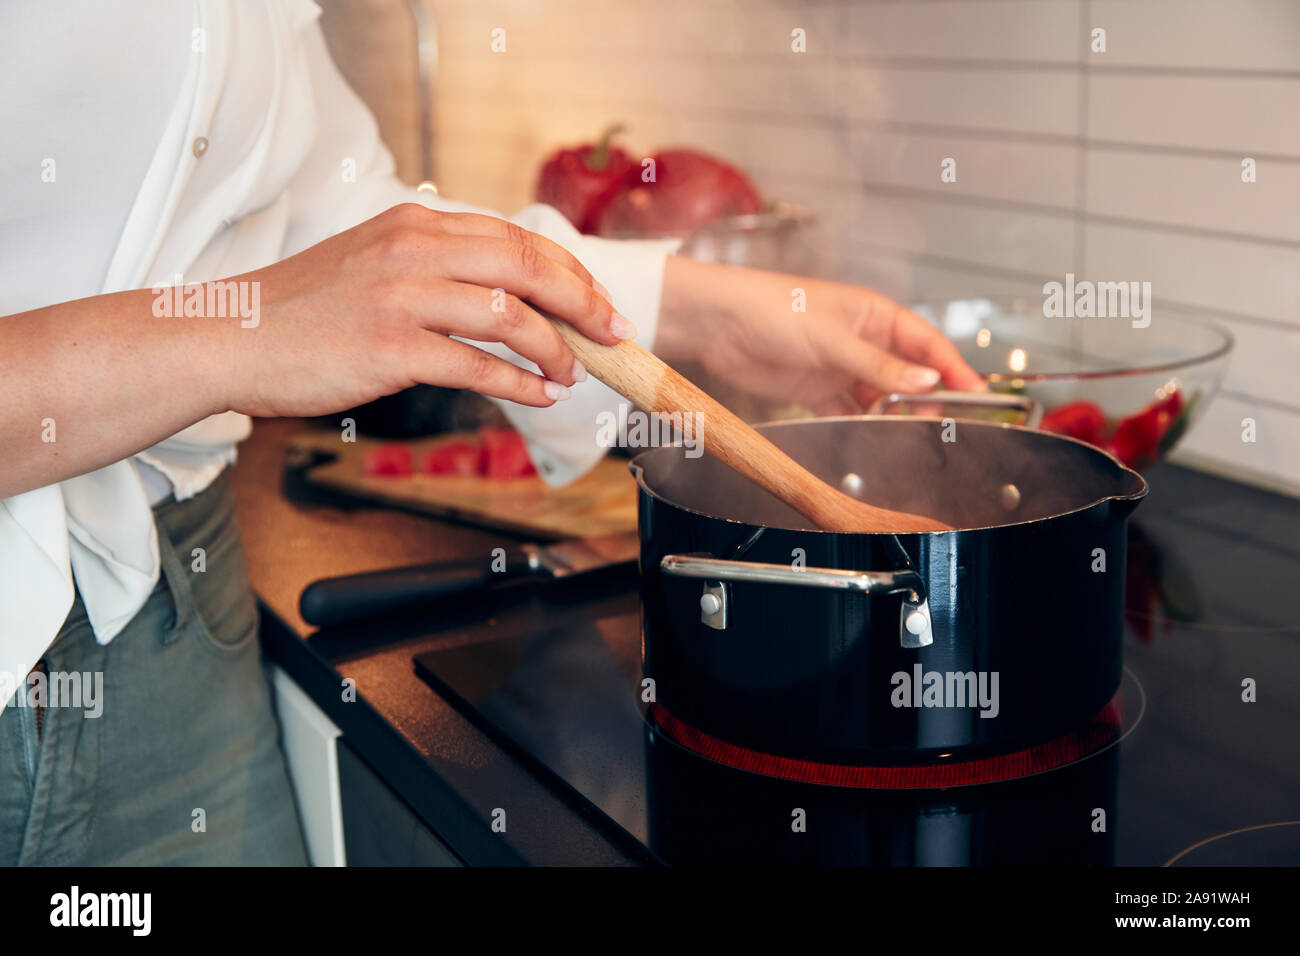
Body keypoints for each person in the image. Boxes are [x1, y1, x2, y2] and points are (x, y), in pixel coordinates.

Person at [0, 1, 983, 865]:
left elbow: (321, 215)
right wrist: (243, 329)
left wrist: (691, 306)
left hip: (173, 621)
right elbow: (280, 289)